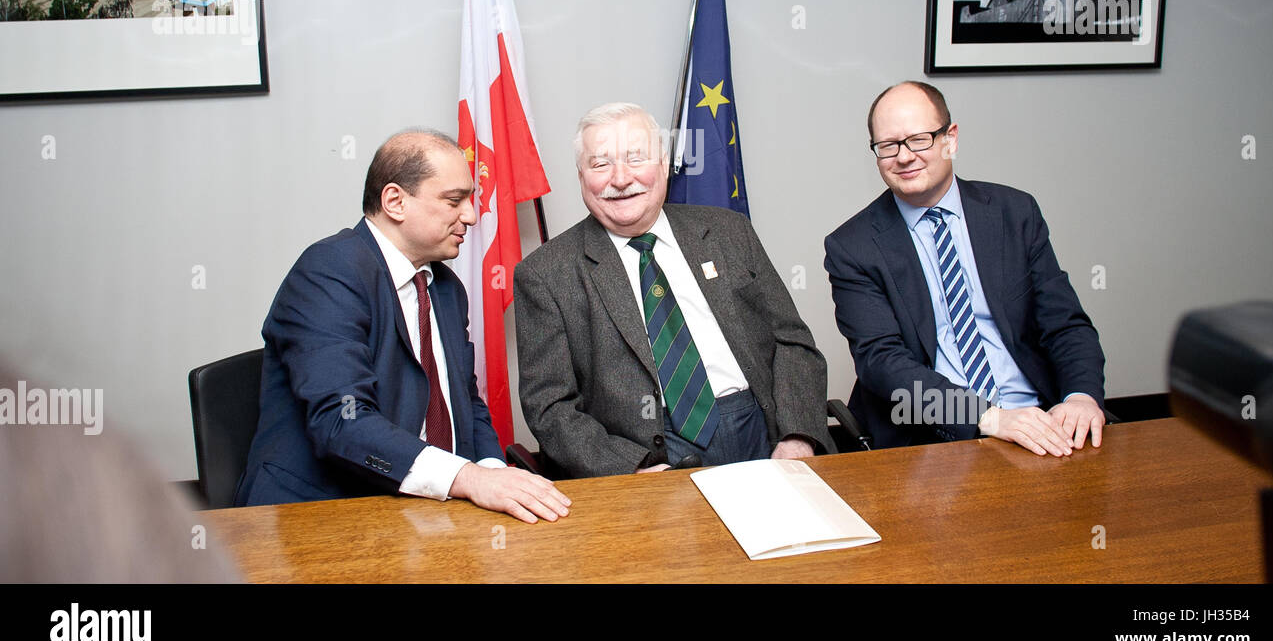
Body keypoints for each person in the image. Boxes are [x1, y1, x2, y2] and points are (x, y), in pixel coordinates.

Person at [235, 130, 570, 524]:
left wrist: (495, 475)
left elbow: (466, 401)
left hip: (424, 508)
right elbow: (343, 421)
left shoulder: (445, 288)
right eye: (454, 200)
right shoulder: (328, 272)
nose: (472, 216)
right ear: (395, 201)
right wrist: (469, 478)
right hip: (320, 514)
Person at [514, 103, 832, 478]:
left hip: (760, 432)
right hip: (646, 456)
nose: (620, 178)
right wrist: (633, 470)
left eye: (636, 158)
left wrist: (797, 436)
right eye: (601, 165)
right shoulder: (545, 273)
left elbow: (791, 342)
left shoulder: (728, 232)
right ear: (581, 176)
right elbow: (550, 406)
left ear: (663, 164)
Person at [823, 82, 1106, 455]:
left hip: (1040, 419)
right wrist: (987, 418)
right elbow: (881, 362)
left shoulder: (1013, 213)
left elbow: (1065, 323)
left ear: (950, 139)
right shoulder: (853, 246)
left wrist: (1082, 397)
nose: (904, 157)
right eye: (888, 146)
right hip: (930, 436)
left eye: (919, 139)